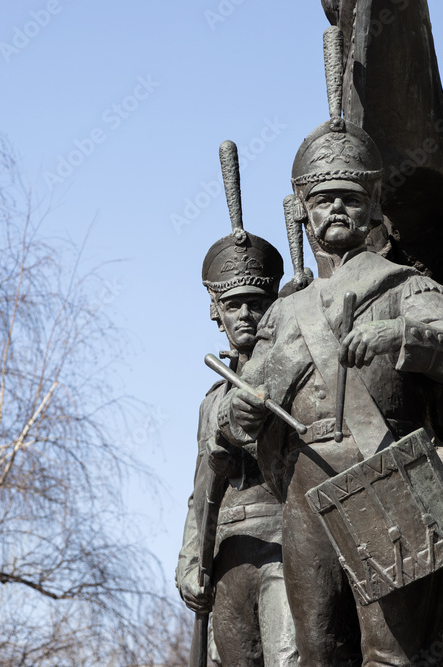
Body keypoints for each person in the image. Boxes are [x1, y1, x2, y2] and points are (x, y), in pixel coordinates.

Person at [215, 115, 443, 666]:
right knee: (317, 650)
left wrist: (400, 334)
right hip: (303, 488)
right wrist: (239, 411)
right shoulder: (284, 314)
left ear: (372, 208)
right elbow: (232, 419)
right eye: (323, 200)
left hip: (385, 471)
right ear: (305, 215)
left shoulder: (405, 286)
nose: (336, 209)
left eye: (349, 197)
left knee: (388, 652)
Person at [175, 142, 299, 667]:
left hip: (290, 539)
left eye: (257, 302)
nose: (246, 314)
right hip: (229, 550)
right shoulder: (212, 399)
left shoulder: (297, 364)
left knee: (292, 656)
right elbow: (204, 484)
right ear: (215, 312)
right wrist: (191, 560)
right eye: (234, 304)